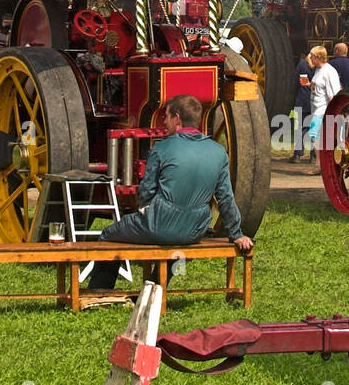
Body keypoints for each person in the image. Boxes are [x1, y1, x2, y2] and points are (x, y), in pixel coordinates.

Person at [88, 94, 254, 290]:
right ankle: (156, 286)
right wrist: (236, 233)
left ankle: (99, 291)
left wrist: (146, 211)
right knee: (175, 244)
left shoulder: (162, 148)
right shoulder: (218, 152)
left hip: (159, 225)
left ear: (177, 118)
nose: (164, 122)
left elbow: (146, 192)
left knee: (108, 234)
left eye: (165, 117)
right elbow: (226, 198)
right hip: (194, 231)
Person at [305, 46, 342, 163]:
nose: (310, 57)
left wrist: (332, 114)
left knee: (314, 134)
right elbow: (319, 87)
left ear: (317, 57)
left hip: (323, 110)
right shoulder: (318, 70)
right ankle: (322, 163)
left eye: (312, 56)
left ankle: (321, 164)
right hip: (316, 108)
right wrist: (310, 85)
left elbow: (333, 95)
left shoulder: (329, 72)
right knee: (318, 137)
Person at [290, 53, 314, 162]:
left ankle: (297, 155)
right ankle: (313, 156)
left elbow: (295, 82)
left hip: (302, 99)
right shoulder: (320, 66)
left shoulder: (302, 64)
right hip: (315, 101)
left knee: (300, 128)